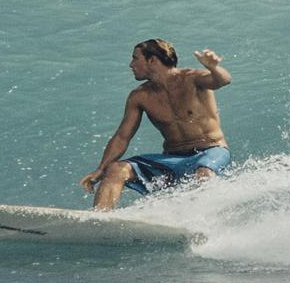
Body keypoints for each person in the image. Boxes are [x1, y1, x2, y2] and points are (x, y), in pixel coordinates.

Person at [79, 39, 233, 211]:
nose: (131, 64)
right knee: (115, 170)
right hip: (172, 159)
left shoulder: (192, 78)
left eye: (135, 58)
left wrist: (213, 67)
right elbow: (122, 137)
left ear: (152, 60)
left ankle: (197, 220)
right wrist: (101, 168)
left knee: (204, 175)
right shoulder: (139, 96)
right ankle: (100, 220)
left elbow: (223, 80)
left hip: (211, 151)